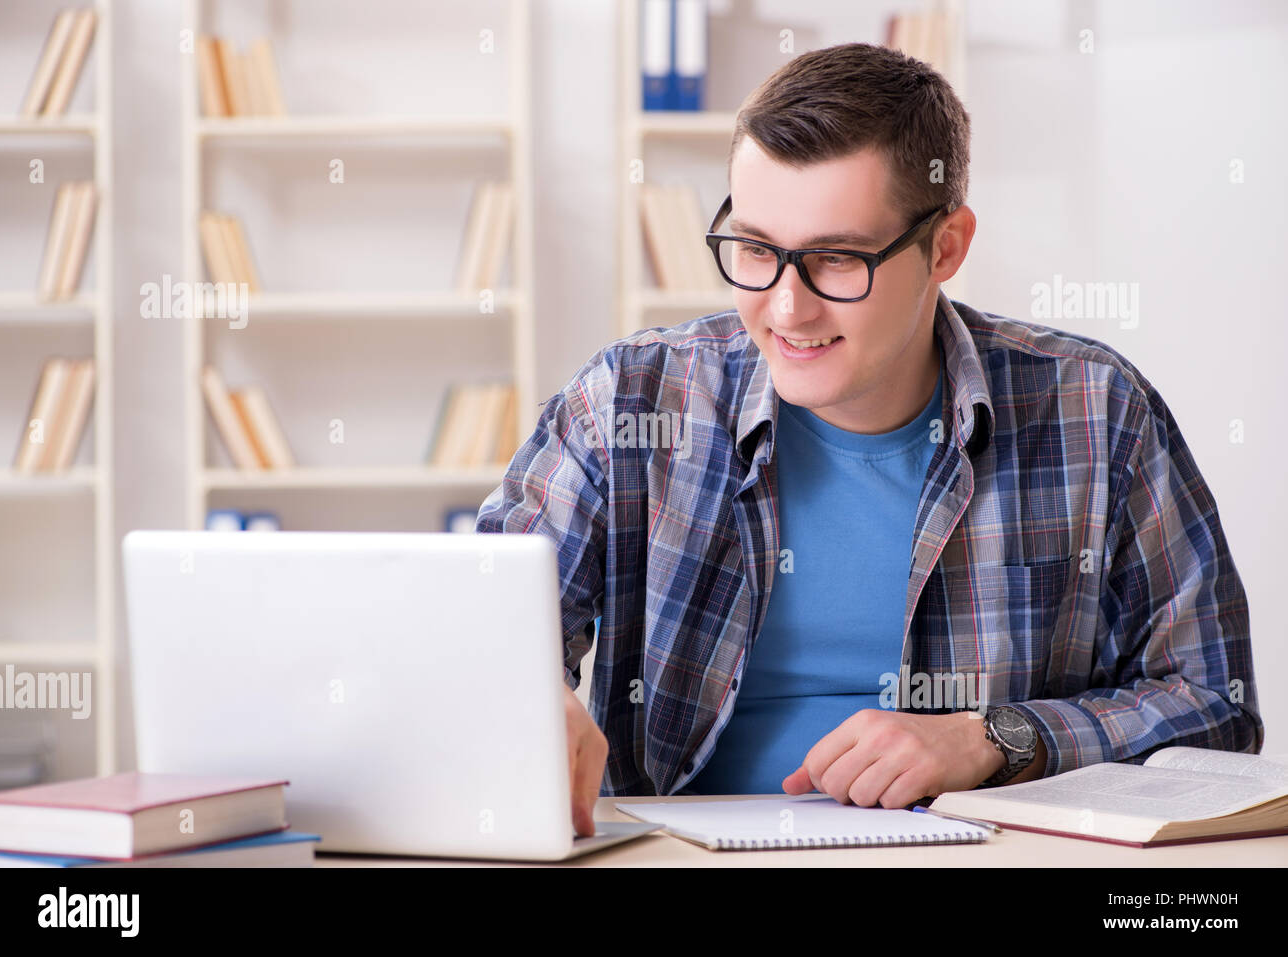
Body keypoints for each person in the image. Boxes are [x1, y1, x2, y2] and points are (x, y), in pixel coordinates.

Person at [475, 42, 1261, 837]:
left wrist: (991, 737)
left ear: (946, 247)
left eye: (836, 260)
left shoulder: (1097, 410)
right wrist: (522, 695)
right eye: (755, 249)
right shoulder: (627, 406)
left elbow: (1216, 706)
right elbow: (481, 631)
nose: (787, 309)